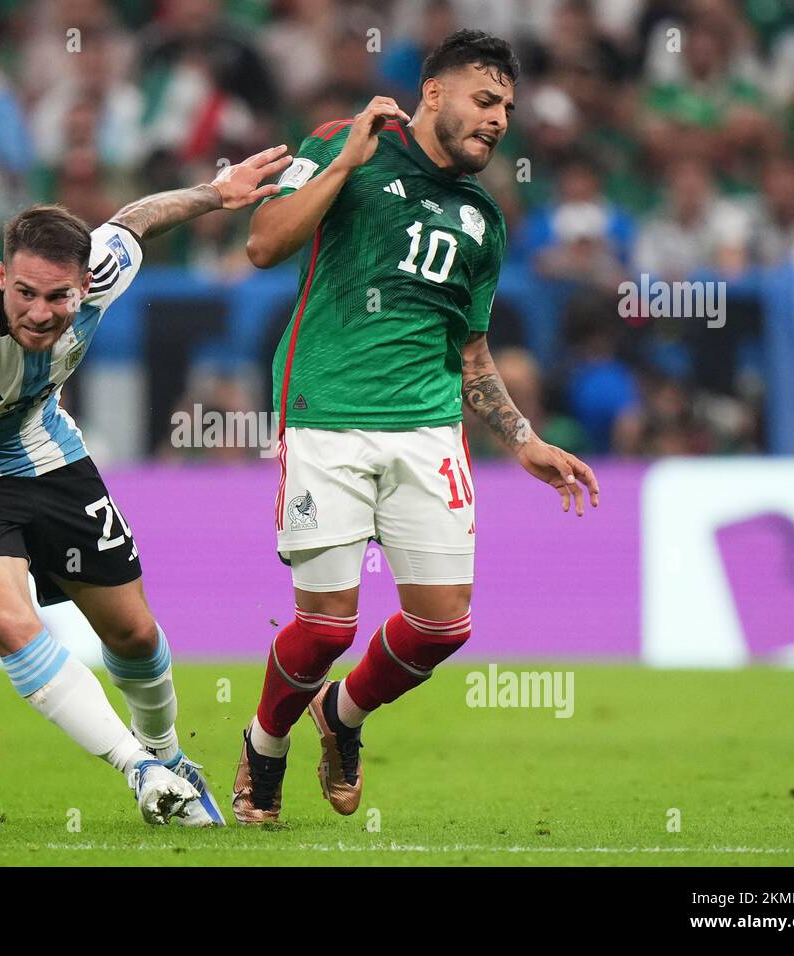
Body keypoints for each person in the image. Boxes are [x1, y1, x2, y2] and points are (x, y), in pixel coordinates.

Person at [235, 31, 599, 824]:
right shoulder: (343, 141)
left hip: (428, 430)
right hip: (326, 415)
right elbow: (263, 245)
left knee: (443, 625)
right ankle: (264, 749)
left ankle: (341, 718)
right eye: (484, 99)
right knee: (327, 628)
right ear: (433, 94)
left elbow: (471, 352)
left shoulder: (483, 219)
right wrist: (342, 164)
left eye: (507, 105)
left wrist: (523, 438)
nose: (500, 118)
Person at [0, 145, 291, 827]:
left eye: (58, 296)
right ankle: (139, 769)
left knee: (133, 632)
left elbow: (135, 219)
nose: (40, 312)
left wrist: (217, 192)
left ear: (83, 284)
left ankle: (167, 758)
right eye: (25, 293)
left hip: (49, 456)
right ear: (3, 277)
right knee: (9, 621)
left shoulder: (103, 270)